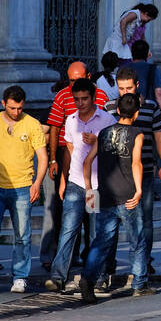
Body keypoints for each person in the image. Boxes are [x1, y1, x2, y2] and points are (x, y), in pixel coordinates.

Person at [101, 67, 161, 292]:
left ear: (137, 86)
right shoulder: (110, 107)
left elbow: (159, 136)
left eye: (128, 88)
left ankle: (143, 265)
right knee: (110, 229)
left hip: (145, 173)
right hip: (115, 177)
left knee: (144, 223)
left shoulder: (150, 107)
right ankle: (107, 270)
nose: (124, 92)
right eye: (121, 88)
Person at [0, 86, 47, 294]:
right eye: (12, 108)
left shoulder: (32, 124)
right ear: (3, 103)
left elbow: (42, 156)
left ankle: (20, 276)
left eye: (20, 108)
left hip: (23, 186)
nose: (16, 112)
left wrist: (37, 183)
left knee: (22, 234)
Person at [44, 80, 113, 293]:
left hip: (95, 186)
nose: (80, 103)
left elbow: (114, 152)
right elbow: (70, 150)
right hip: (75, 182)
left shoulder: (107, 119)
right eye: (76, 99)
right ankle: (57, 276)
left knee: (95, 231)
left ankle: (97, 276)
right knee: (68, 229)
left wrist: (98, 141)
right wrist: (64, 180)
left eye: (84, 99)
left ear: (93, 98)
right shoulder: (71, 120)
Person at [79, 93, 145, 303]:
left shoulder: (104, 133)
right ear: (136, 113)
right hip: (128, 196)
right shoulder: (137, 133)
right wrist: (139, 190)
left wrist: (89, 189)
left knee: (101, 242)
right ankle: (139, 284)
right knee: (137, 240)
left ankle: (88, 279)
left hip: (105, 195)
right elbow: (136, 163)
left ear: (117, 111)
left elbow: (87, 162)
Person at [120, 40, 161, 117]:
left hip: (127, 111)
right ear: (147, 54)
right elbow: (159, 93)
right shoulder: (153, 69)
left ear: (132, 52)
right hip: (147, 111)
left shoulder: (123, 69)